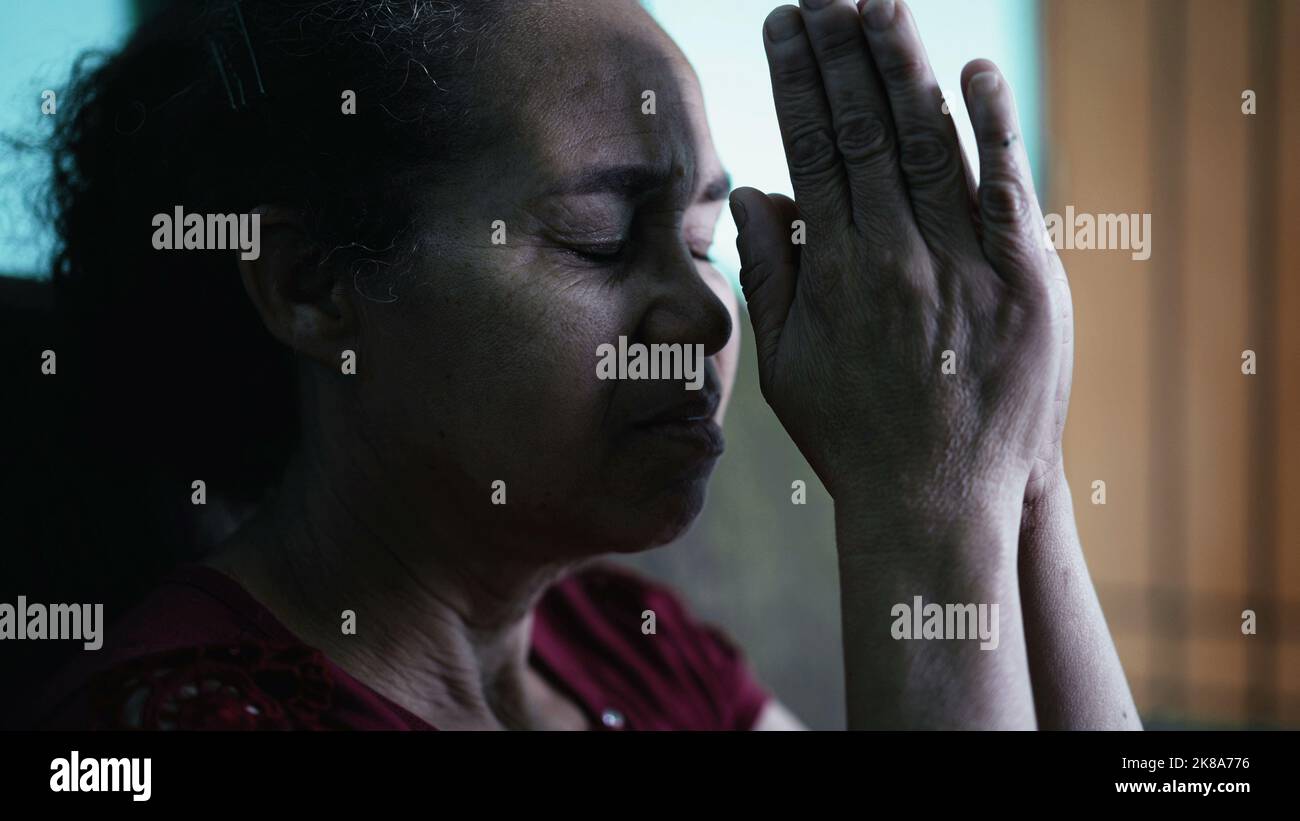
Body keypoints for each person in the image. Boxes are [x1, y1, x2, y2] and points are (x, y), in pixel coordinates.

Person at [28, 0, 1138, 730]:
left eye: (704, 241)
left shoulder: (633, 652)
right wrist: (920, 504)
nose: (707, 310)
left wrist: (1014, 452)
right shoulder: (176, 720)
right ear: (314, 285)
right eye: (602, 236)